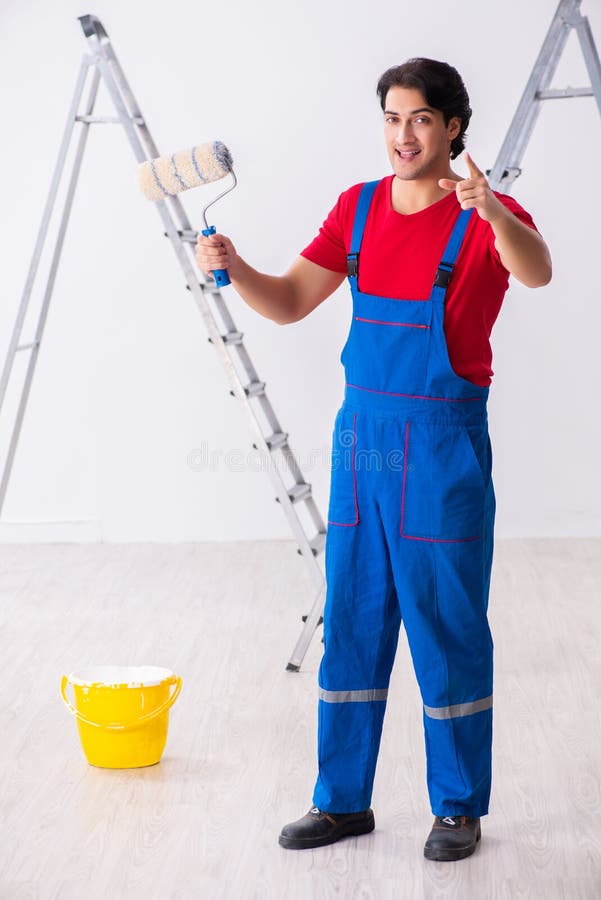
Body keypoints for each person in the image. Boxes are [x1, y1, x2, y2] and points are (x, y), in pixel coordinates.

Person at [195, 58, 552, 862]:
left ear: (452, 127)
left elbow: (536, 271)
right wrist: (234, 265)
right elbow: (290, 301)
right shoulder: (356, 209)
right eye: (392, 118)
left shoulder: (483, 215)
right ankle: (340, 801)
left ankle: (456, 807)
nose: (403, 135)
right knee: (352, 616)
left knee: (446, 625)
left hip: (441, 444)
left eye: (420, 119)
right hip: (361, 441)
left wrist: (495, 211)